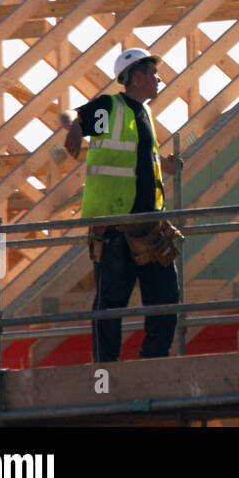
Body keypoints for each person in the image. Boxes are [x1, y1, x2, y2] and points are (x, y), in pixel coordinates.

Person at [60, 49, 181, 361]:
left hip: (148, 224)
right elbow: (71, 114)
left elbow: (140, 158)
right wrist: (74, 126)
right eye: (153, 73)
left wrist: (165, 164)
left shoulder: (144, 115)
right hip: (115, 226)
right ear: (136, 76)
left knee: (166, 299)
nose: (158, 79)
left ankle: (151, 363)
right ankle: (106, 373)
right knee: (111, 304)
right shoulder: (110, 108)